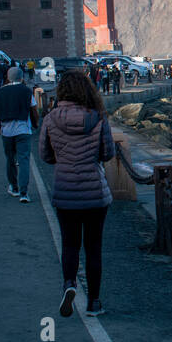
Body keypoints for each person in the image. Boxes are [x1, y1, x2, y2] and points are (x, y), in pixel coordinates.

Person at [39, 69, 115, 318]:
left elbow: (45, 156)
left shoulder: (50, 119)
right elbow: (107, 154)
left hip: (65, 191)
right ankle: (94, 302)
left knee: (70, 244)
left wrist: (63, 158)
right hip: (95, 192)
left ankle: (69, 284)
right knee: (94, 248)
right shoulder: (98, 117)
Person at [0, 66, 38, 204]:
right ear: (21, 77)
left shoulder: (0, 92)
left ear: (8, 77)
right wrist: (35, 124)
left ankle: (14, 187)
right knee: (24, 160)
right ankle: (24, 193)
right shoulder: (26, 91)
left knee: (10, 160)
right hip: (23, 129)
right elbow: (34, 110)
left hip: (6, 131)